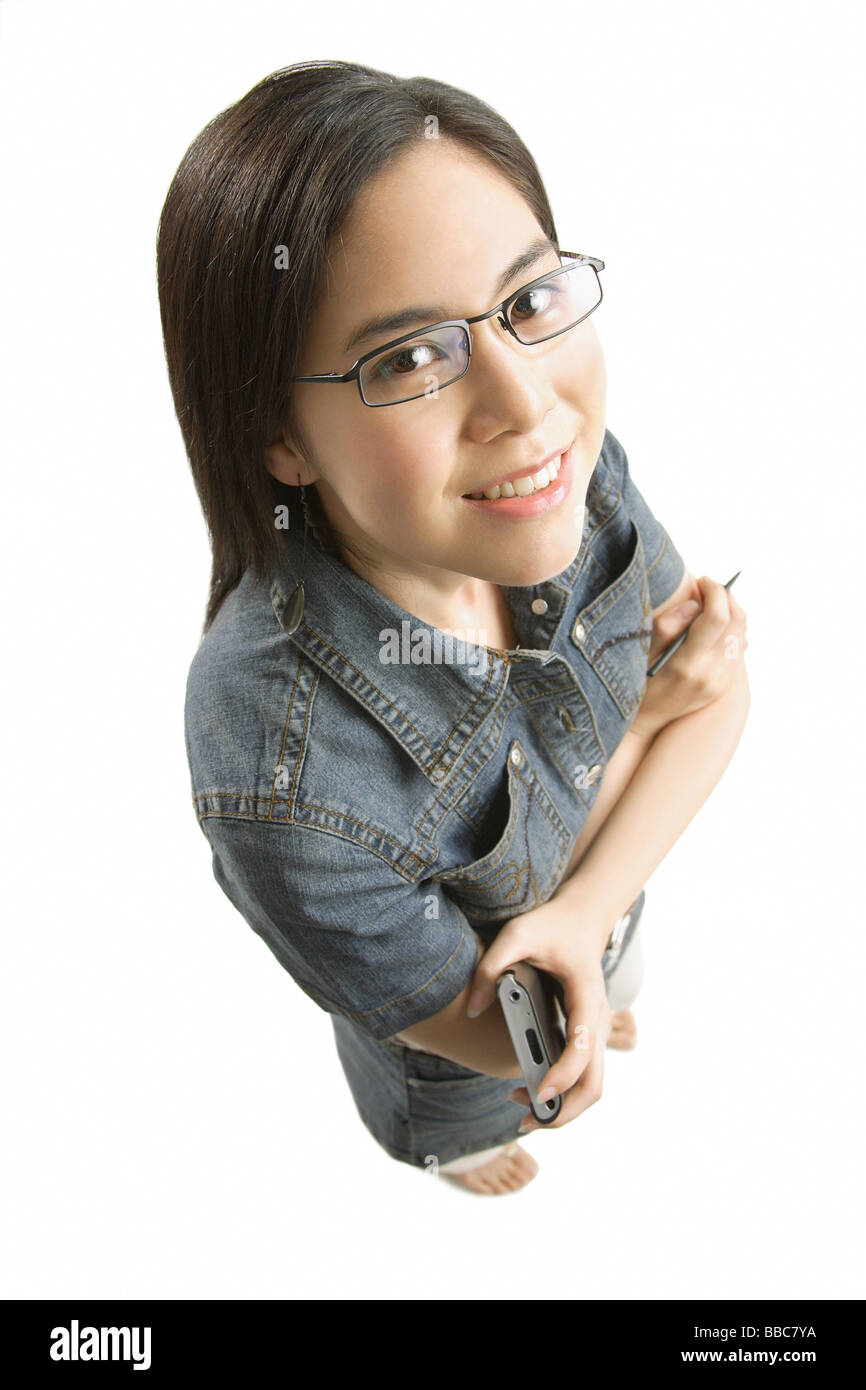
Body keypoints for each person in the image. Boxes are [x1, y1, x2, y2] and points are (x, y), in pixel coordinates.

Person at [157, 60, 750, 1196]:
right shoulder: (269, 763)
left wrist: (580, 916)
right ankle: (451, 1154)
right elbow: (499, 1029)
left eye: (528, 302)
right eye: (412, 357)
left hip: (606, 916)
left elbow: (720, 694)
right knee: (480, 1119)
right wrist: (644, 736)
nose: (529, 408)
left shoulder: (556, 479)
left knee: (608, 985)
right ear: (278, 436)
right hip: (453, 1062)